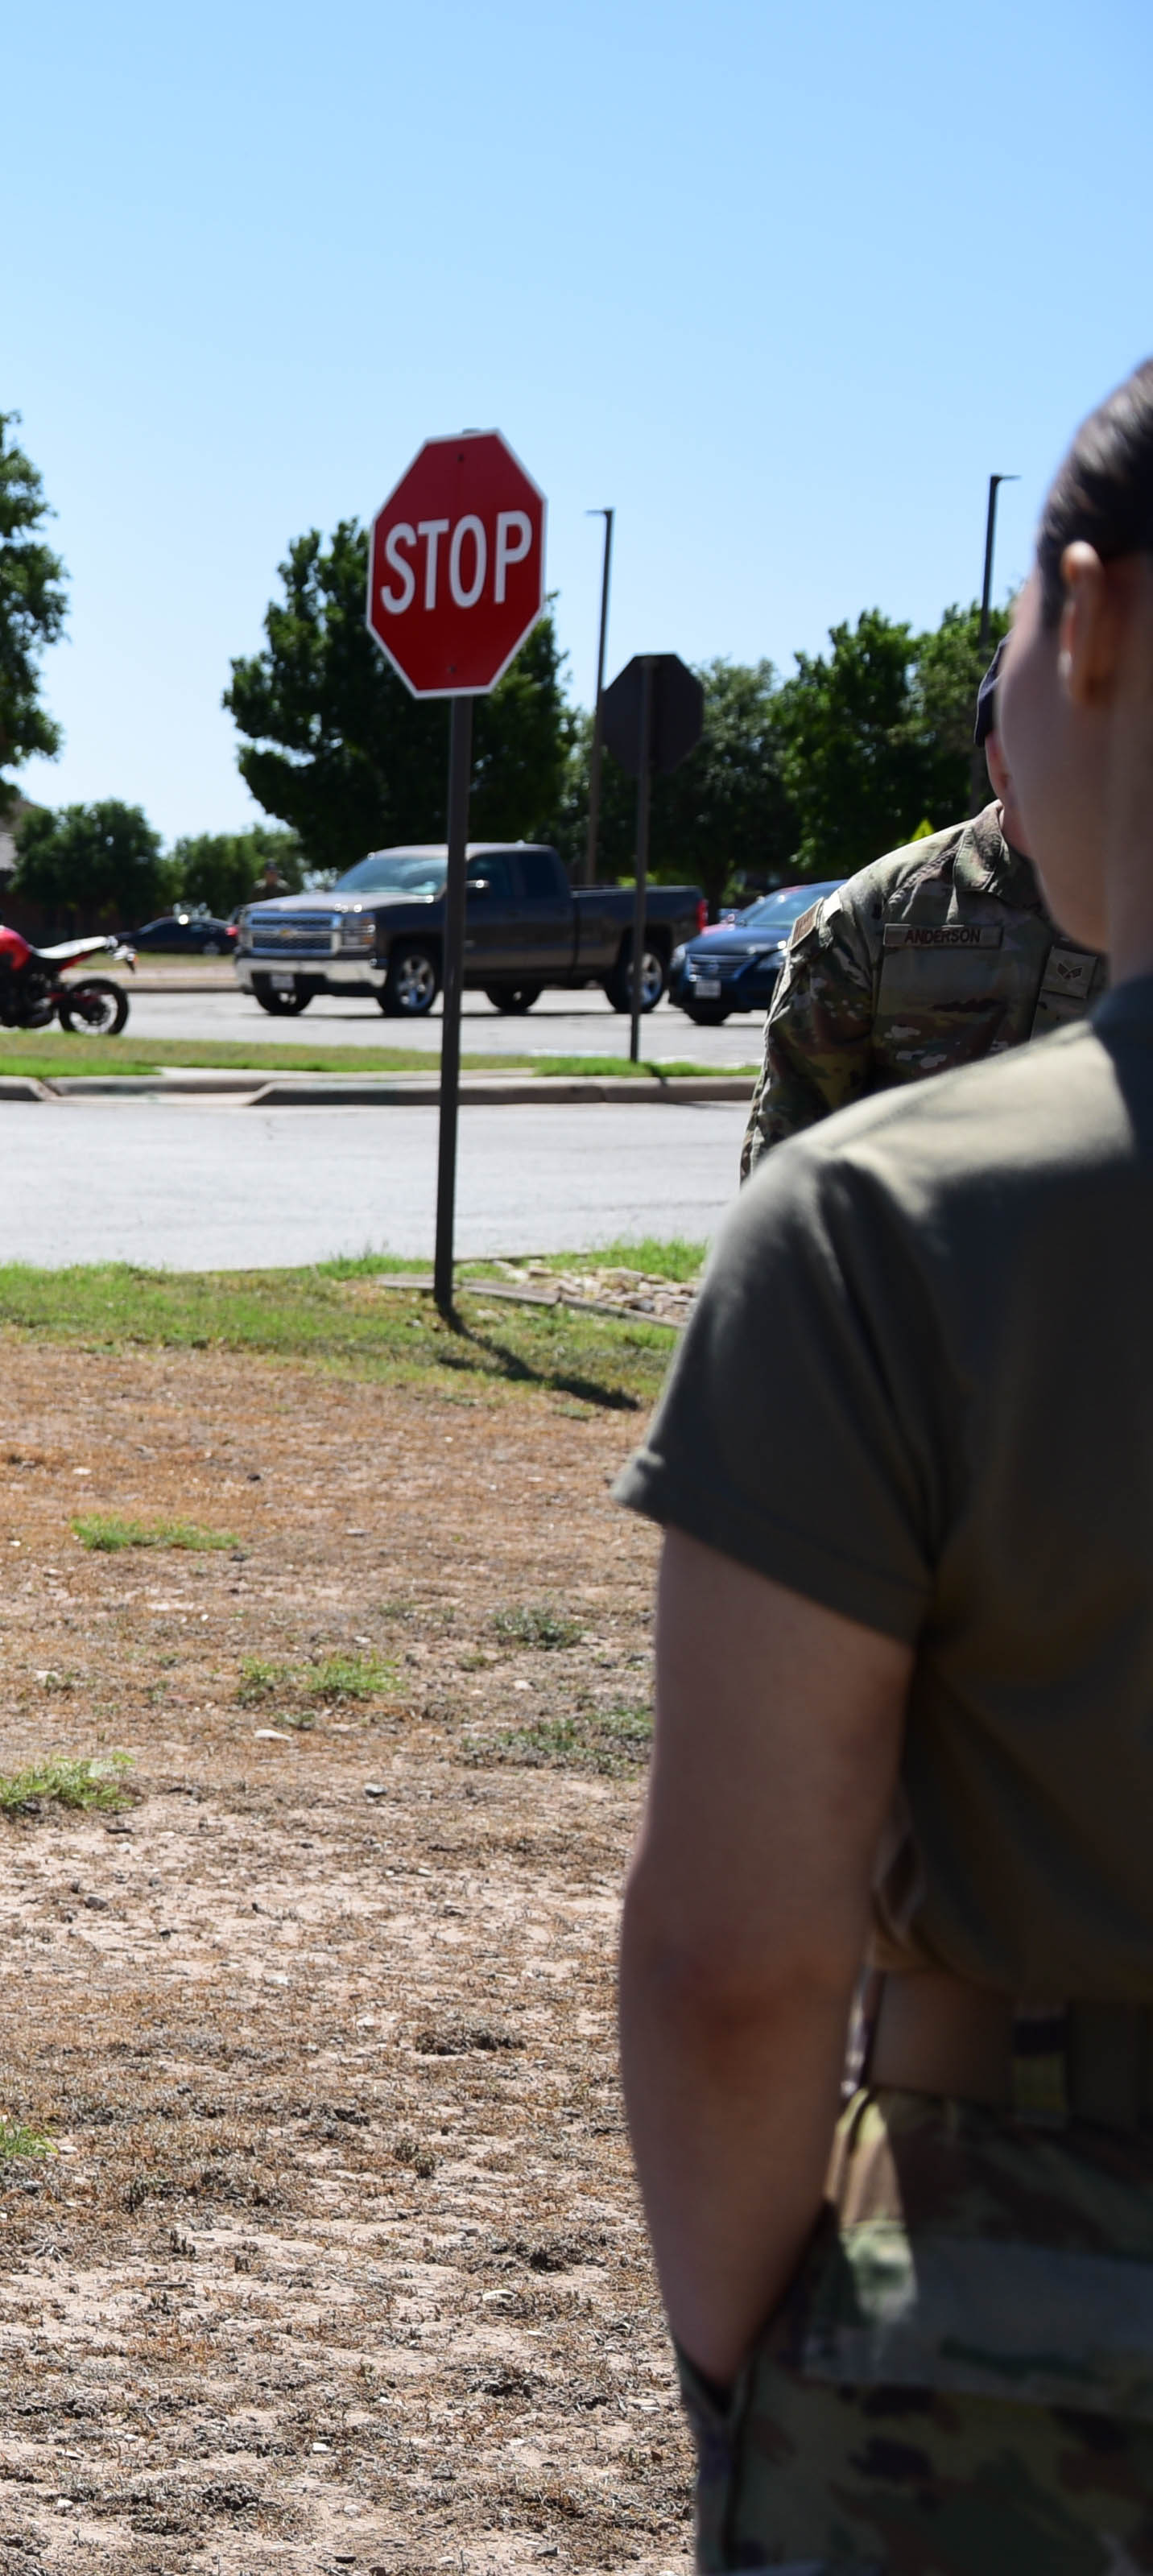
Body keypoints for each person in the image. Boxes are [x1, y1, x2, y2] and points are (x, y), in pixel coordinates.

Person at [614, 354, 1153, 2572]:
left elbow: (744, 1964)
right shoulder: (871, 972)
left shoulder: (883, 1241)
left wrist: (778, 2391)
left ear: (1095, 629)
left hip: (1038, 2309)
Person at [738, 667, 1104, 1174]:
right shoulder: (879, 910)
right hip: (916, 1249)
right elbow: (790, 1135)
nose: (1024, 747)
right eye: (1006, 723)